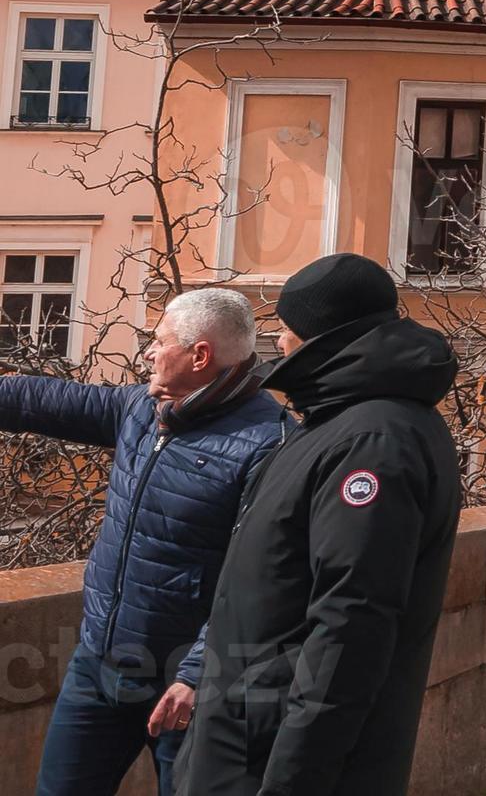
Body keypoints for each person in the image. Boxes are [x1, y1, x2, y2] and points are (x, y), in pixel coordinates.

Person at [178, 253, 461, 796]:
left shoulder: (371, 440)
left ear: (323, 339)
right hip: (248, 734)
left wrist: (292, 778)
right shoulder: (339, 419)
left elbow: (351, 621)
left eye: (286, 332)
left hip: (278, 758)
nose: (279, 345)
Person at [0, 287, 281, 796]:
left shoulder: (267, 445)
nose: (148, 353)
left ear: (200, 356)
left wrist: (195, 675)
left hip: (188, 685)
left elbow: (258, 579)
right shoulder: (143, 409)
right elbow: (46, 401)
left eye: (159, 341)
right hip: (98, 663)